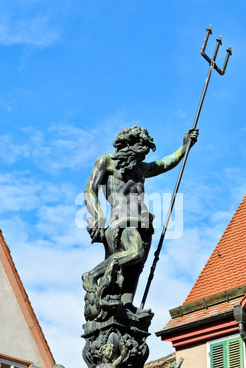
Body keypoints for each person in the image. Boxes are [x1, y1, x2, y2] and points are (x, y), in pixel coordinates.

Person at [82, 125, 198, 307]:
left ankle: (127, 307)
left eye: (144, 151)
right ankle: (92, 274)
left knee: (136, 268)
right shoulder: (106, 162)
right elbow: (90, 190)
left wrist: (185, 147)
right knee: (135, 252)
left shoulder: (140, 169)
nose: (143, 154)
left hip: (143, 223)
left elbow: (165, 163)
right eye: (140, 147)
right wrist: (98, 217)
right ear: (128, 144)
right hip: (120, 221)